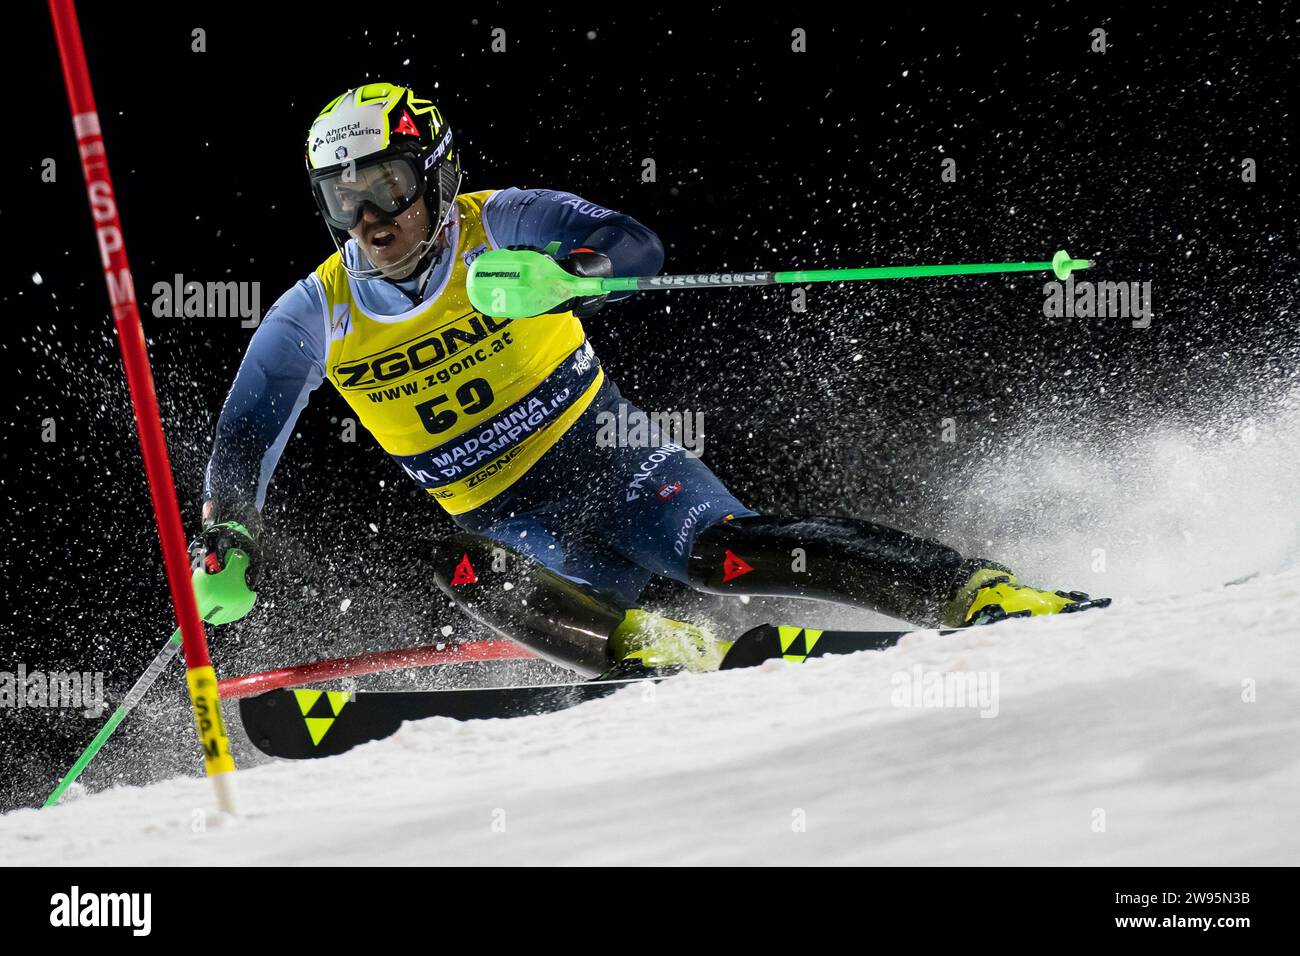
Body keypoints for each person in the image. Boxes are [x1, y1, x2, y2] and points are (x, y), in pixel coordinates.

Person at [194, 83, 1106, 678]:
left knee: (724, 553)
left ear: (434, 177)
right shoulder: (311, 313)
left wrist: (570, 274)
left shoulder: (501, 220)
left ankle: (972, 590)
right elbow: (246, 434)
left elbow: (633, 243)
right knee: (457, 564)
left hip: (614, 461)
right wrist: (226, 540)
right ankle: (655, 653)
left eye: (387, 185)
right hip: (509, 518)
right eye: (341, 197)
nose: (368, 219)